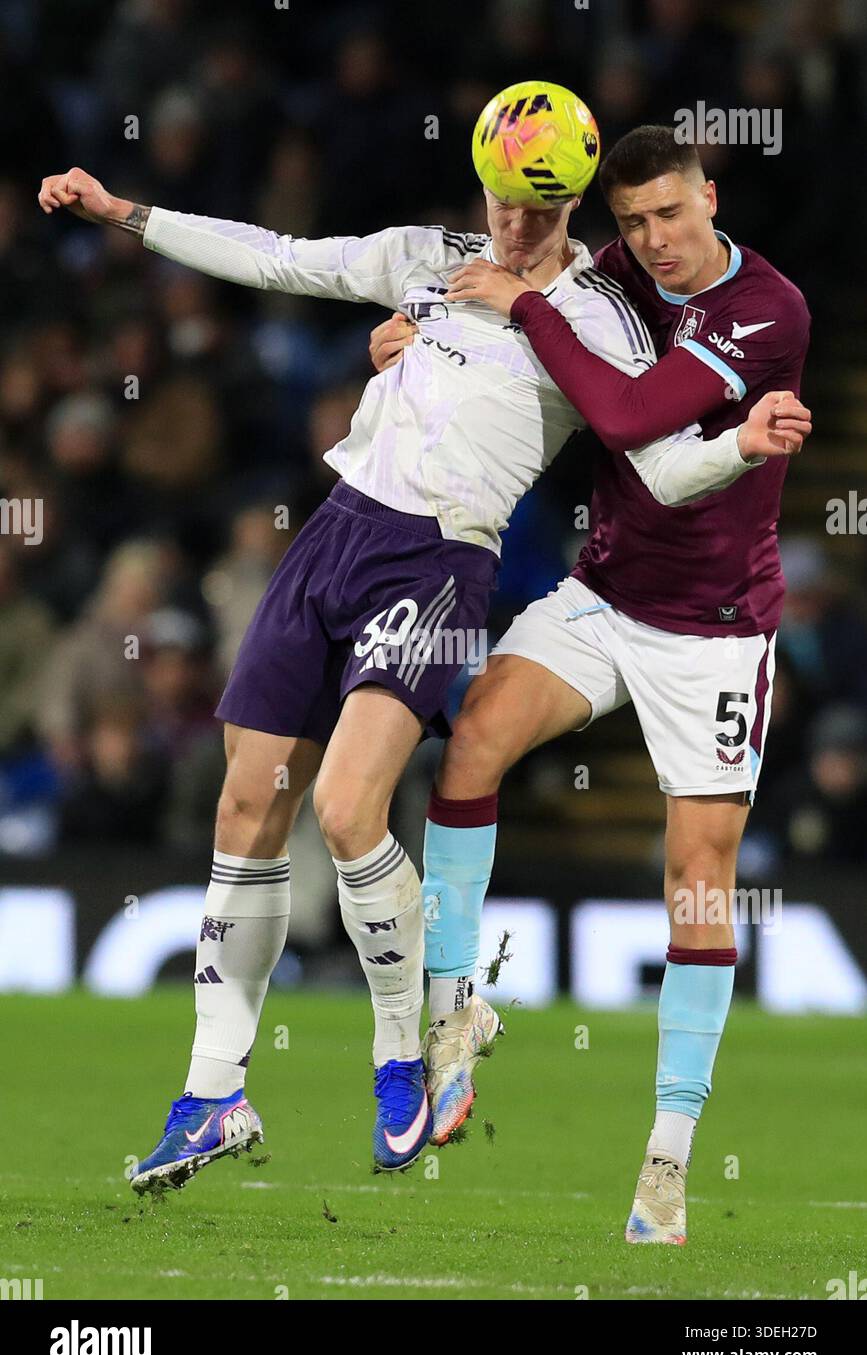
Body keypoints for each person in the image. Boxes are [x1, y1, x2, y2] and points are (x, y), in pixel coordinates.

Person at [37, 100, 809, 1194]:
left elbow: (655, 456)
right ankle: (213, 1096)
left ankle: (405, 1055)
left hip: (442, 559)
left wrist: (739, 444)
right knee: (246, 802)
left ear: (571, 204)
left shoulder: (599, 317)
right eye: (501, 200)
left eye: (538, 207)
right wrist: (128, 214)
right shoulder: (425, 258)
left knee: (350, 808)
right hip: (334, 532)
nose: (515, 224)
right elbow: (280, 257)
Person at [369, 125, 811, 1244]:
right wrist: (411, 338)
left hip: (715, 632)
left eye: (671, 213)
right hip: (605, 595)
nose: (653, 240)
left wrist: (524, 309)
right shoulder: (609, 276)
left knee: (698, 883)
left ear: (711, 198)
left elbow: (623, 417)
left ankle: (666, 1159)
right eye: (632, 222)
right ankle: (454, 1012)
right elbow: (498, 314)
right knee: (473, 737)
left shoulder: (768, 309)